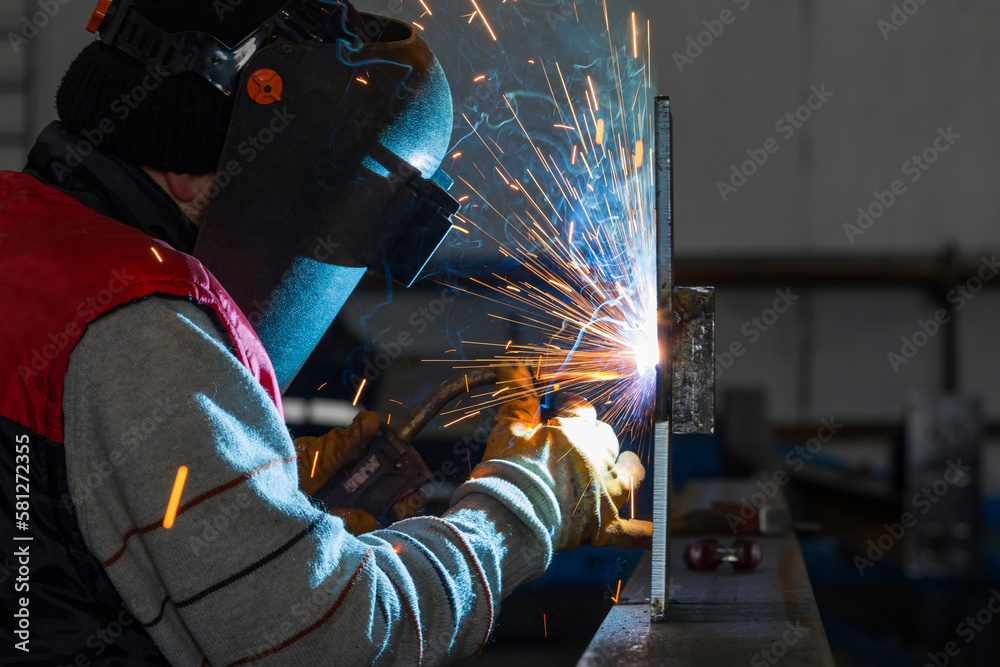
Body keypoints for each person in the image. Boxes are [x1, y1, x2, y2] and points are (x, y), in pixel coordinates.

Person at [0, 0, 652, 664]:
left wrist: (261, 496)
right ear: (185, 170)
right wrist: (528, 500)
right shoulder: (142, 325)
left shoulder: (26, 241)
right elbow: (342, 643)